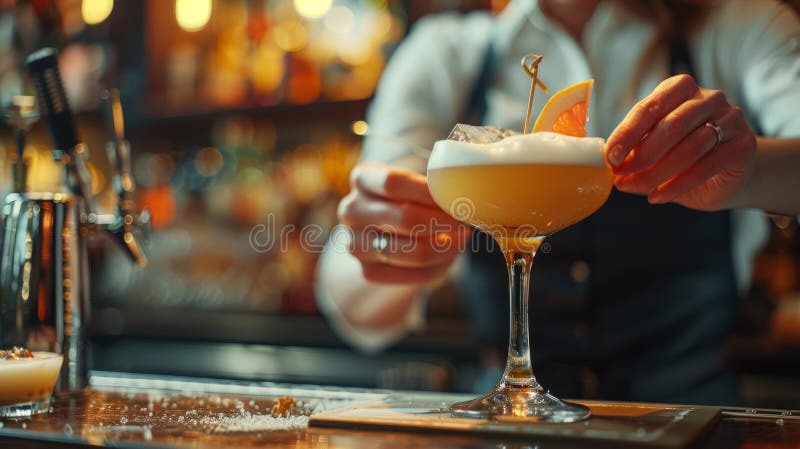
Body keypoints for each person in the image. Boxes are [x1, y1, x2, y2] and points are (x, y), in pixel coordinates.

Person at [315, 0, 800, 405]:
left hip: (688, 419)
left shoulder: (737, 25)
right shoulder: (446, 52)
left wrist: (751, 169)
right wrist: (389, 245)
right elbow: (350, 301)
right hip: (506, 429)